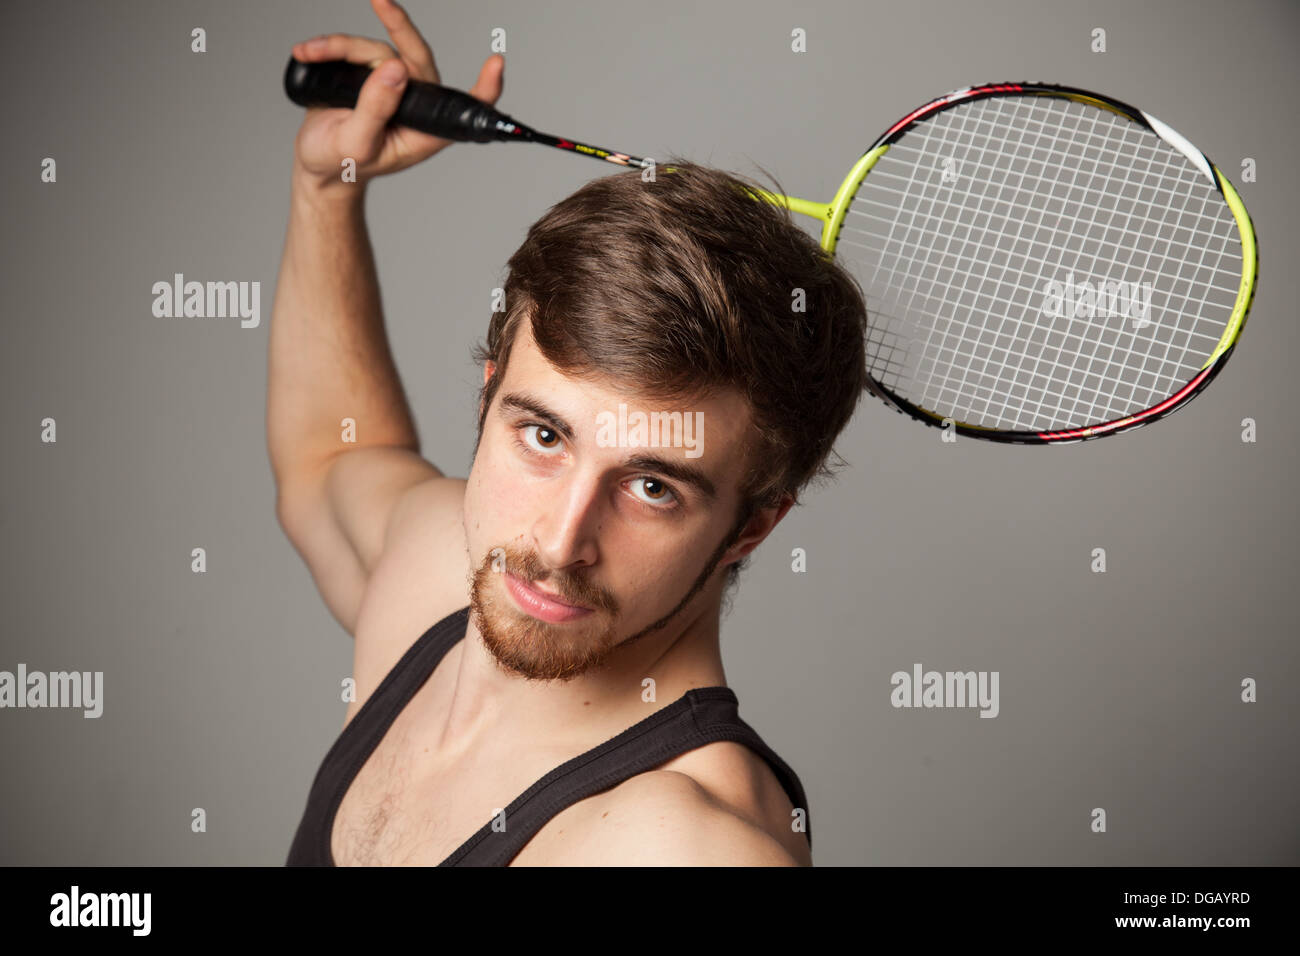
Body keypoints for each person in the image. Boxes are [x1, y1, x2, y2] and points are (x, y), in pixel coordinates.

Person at [272, 0, 867, 866]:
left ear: (753, 524)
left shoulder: (680, 844)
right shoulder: (439, 583)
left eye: (652, 486)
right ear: (488, 400)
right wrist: (327, 191)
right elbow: (333, 454)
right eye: (544, 437)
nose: (558, 540)